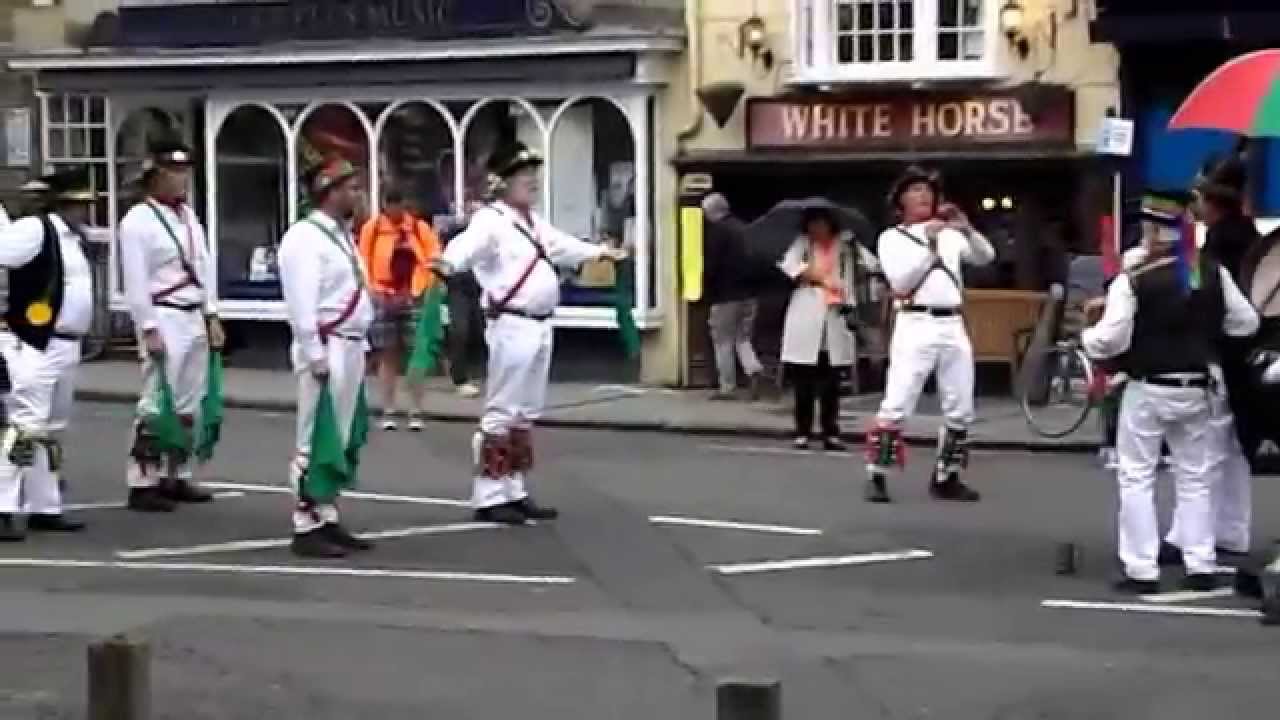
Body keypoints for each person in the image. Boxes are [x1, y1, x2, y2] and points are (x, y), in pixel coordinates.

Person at [437, 141, 627, 525]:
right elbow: (466, 247)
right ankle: (489, 495)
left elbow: (561, 246)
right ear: (502, 183)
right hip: (512, 323)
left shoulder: (531, 222)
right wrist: (448, 262)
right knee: (502, 410)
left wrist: (599, 254)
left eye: (533, 176)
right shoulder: (491, 220)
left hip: (539, 324)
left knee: (524, 412)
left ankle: (514, 488)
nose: (532, 183)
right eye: (524, 177)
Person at [1083, 190, 1258, 594]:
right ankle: (1200, 563)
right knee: (1196, 476)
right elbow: (1245, 323)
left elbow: (1110, 341)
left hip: (1149, 386)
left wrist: (1087, 337)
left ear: (1150, 229)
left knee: (1137, 475)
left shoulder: (1136, 280)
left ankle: (1142, 568)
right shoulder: (1212, 272)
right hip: (1199, 387)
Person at [865, 166, 995, 504]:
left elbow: (985, 257)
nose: (924, 196)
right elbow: (901, 282)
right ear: (901, 201)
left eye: (928, 191)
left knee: (960, 405)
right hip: (915, 323)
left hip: (952, 323)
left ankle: (946, 475)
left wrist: (965, 228)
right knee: (898, 401)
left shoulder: (951, 234)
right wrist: (932, 247)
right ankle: (877, 474)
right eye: (915, 190)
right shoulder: (892, 238)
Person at [278, 157, 376, 558]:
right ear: (329, 192)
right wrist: (314, 353)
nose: (357, 194)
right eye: (350, 188)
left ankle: (327, 514)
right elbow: (302, 302)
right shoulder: (304, 238)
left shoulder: (339, 235)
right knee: (313, 437)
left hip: (349, 344)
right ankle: (306, 522)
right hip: (326, 345)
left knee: (339, 433)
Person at [119, 139, 224, 512]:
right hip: (163, 314)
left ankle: (176, 473)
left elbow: (205, 266)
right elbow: (135, 281)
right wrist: (147, 327)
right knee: (155, 399)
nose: (181, 180)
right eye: (173, 173)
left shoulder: (189, 217)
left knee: (188, 401)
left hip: (193, 313)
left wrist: (212, 314)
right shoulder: (137, 221)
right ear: (153, 177)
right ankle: (142, 480)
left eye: (184, 173)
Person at [0, 167, 96, 540]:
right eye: (78, 204)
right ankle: (4, 506)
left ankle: (45, 504)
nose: (84, 212)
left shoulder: (73, 239)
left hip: (66, 343)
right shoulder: (35, 230)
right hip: (34, 341)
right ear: (60, 203)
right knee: (24, 426)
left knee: (51, 429)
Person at [778, 206, 876, 451]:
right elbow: (788, 266)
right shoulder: (803, 244)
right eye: (812, 225)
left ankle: (831, 432)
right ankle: (802, 431)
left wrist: (855, 249)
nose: (817, 229)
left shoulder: (845, 244)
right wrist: (811, 274)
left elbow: (873, 265)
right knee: (804, 380)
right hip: (807, 311)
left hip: (836, 312)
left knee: (831, 381)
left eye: (821, 224)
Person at [358, 186, 442, 432]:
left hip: (413, 297)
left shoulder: (418, 229)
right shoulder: (372, 230)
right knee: (387, 356)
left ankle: (416, 410)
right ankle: (388, 410)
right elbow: (362, 262)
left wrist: (424, 289)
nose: (395, 211)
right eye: (390, 205)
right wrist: (374, 291)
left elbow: (434, 258)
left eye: (399, 205)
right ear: (384, 205)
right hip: (384, 297)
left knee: (417, 356)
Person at [702, 192, 764, 400]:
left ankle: (727, 387)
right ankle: (753, 369)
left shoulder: (718, 232)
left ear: (713, 212)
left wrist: (705, 289)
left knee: (723, 341)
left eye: (705, 213)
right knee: (743, 338)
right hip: (749, 295)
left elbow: (712, 265)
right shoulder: (745, 229)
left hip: (725, 295)